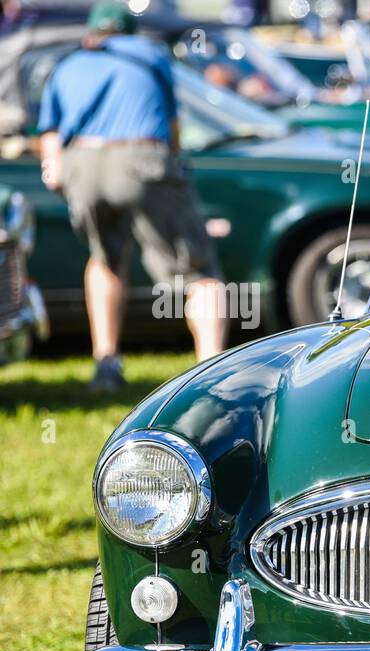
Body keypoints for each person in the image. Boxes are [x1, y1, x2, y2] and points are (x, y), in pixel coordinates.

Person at [37, 1, 226, 392]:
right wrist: (172, 166)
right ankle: (211, 374)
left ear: (91, 33)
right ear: (129, 32)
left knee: (105, 260)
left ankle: (106, 364)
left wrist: (55, 169)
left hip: (83, 164)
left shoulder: (69, 63)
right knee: (200, 272)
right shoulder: (150, 54)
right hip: (140, 157)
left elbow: (50, 132)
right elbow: (172, 126)